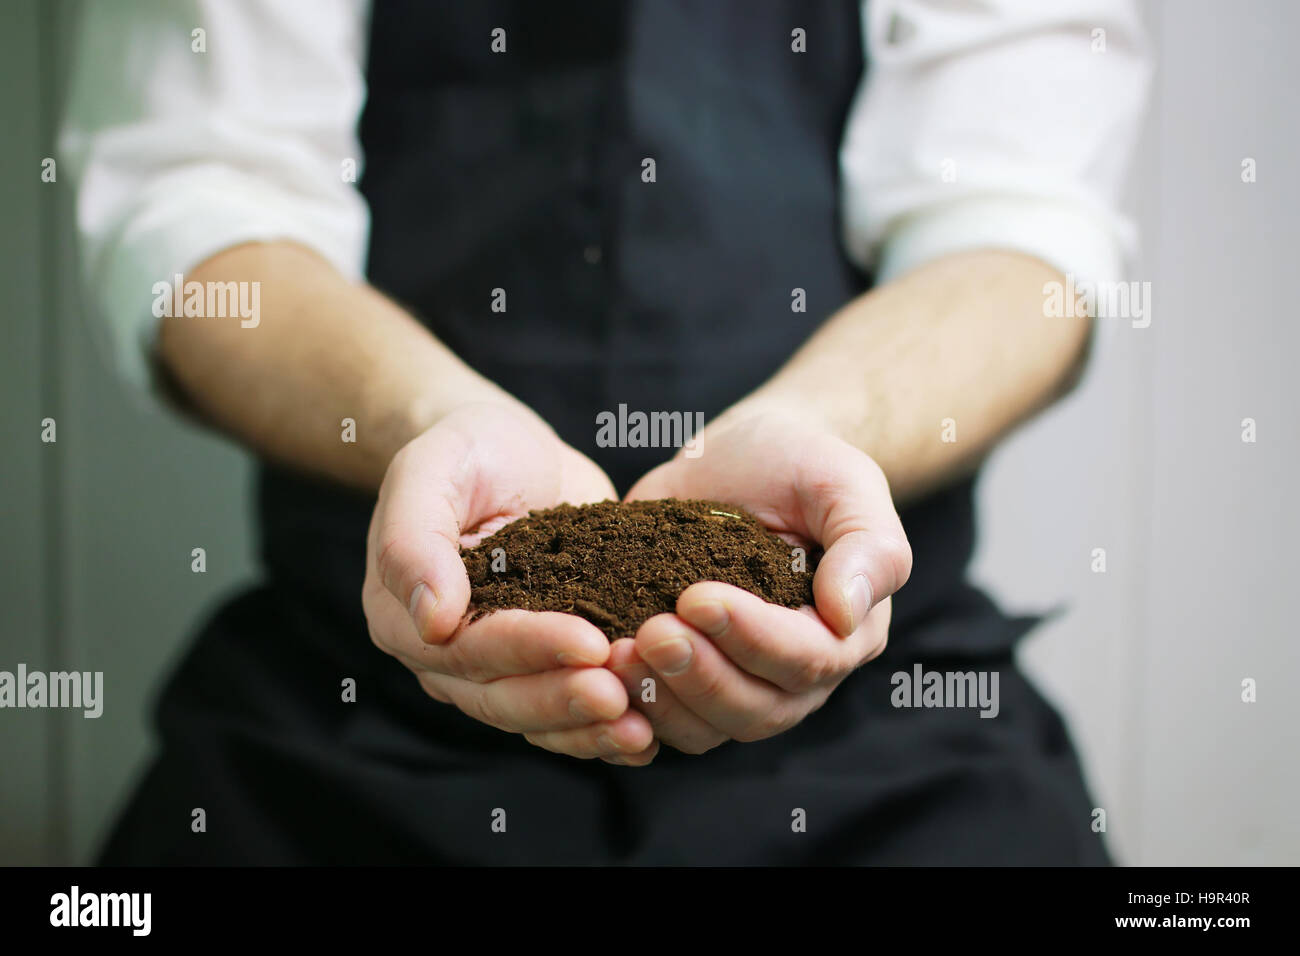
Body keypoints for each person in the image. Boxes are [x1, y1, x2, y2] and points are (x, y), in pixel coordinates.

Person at [62, 0, 1149, 864]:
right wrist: (434, 423)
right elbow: (198, 191)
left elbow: (1018, 221)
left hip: (882, 710)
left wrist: (818, 428)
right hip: (353, 707)